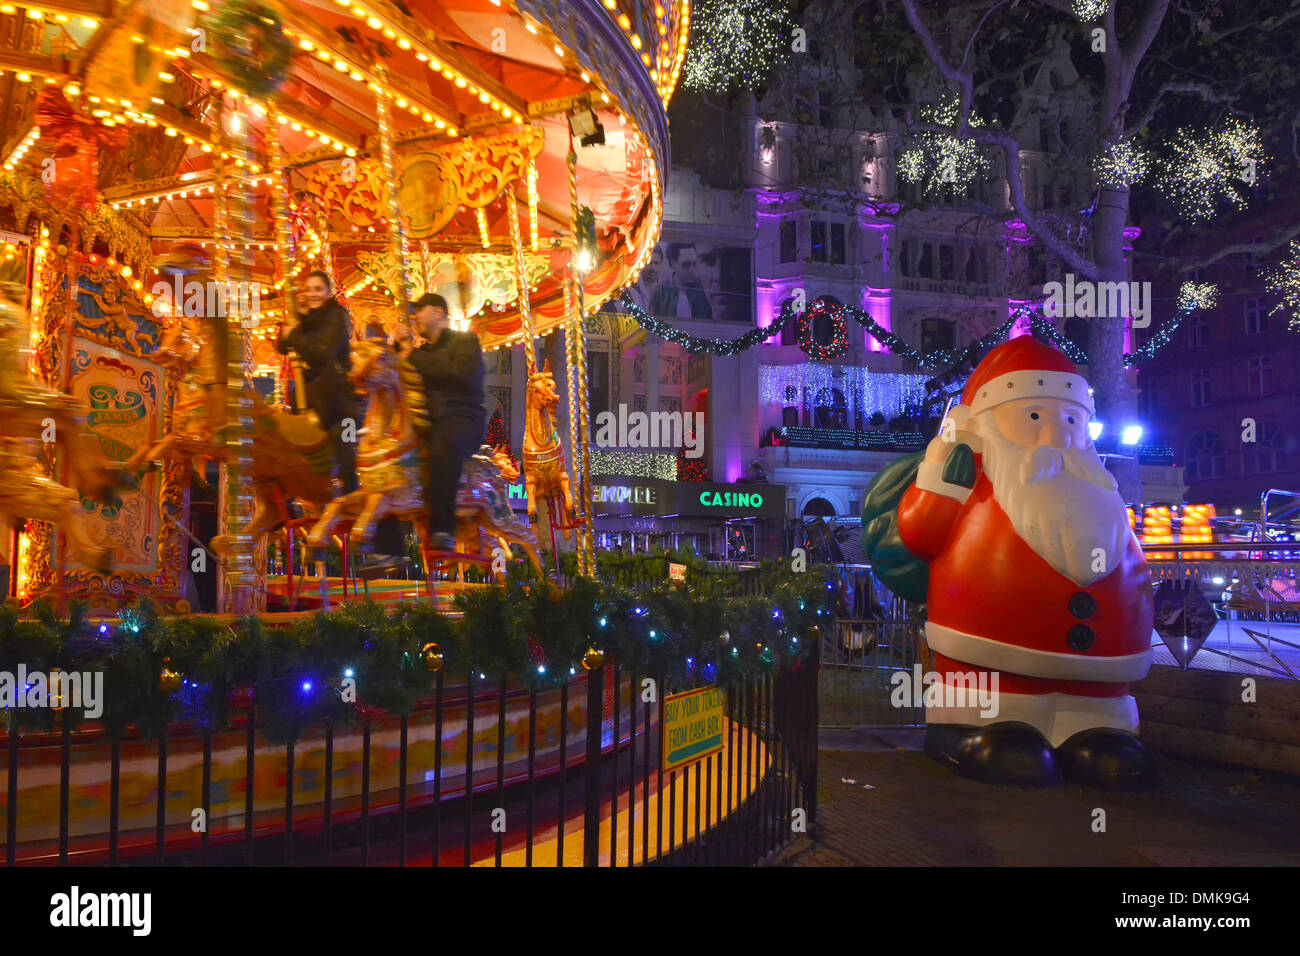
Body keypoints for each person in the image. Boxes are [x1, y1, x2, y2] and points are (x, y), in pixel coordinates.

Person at [875, 336, 1155, 789]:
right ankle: (980, 726)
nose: (1057, 433)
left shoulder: (1099, 493)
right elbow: (918, 534)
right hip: (984, 670)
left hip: (1101, 683)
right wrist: (942, 469)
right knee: (1009, 745)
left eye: (1070, 418)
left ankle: (1095, 731)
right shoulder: (967, 476)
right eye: (1033, 416)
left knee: (1106, 751)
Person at [397, 293, 486, 552]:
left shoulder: (465, 342)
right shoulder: (421, 351)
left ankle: (443, 528)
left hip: (462, 417)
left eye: (420, 311)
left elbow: (459, 375)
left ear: (438, 311)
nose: (415, 317)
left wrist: (412, 354)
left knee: (443, 446)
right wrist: (395, 347)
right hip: (429, 421)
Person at [276, 271, 359, 493]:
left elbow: (322, 352)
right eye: (309, 289)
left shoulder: (337, 316)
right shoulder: (310, 317)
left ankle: (353, 491)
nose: (313, 294)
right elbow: (283, 346)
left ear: (328, 292)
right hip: (313, 396)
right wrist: (299, 318)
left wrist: (293, 334)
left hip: (340, 399)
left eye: (318, 289)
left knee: (344, 439)